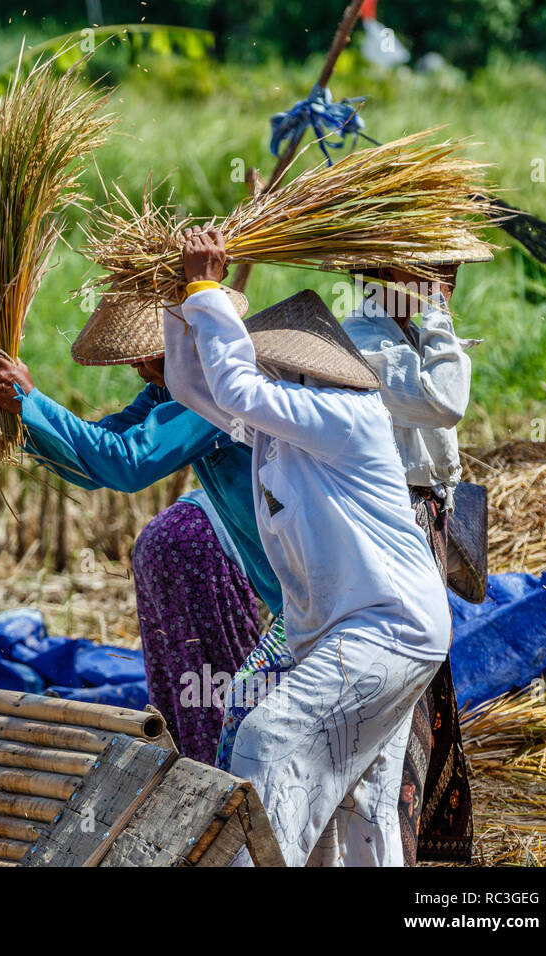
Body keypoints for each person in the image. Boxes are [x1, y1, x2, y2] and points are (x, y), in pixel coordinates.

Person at [164, 226, 451, 866]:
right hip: (357, 633)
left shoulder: (348, 417)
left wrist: (208, 288)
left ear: (304, 368)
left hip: (390, 628)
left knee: (270, 741)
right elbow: (193, 390)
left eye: (278, 366)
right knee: (360, 811)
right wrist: (177, 297)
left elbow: (238, 389)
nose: (268, 375)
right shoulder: (280, 432)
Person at [0, 290, 286, 766]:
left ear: (185, 340)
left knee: (254, 727)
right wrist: (20, 415)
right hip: (291, 599)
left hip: (312, 599)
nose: (140, 370)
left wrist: (31, 399)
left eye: (149, 357)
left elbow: (128, 464)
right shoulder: (170, 387)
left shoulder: (220, 387)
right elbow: (99, 456)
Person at [340, 249, 489, 864]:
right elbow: (443, 400)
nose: (445, 281)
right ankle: (385, 847)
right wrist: (438, 317)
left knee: (426, 687)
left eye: (451, 268)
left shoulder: (409, 333)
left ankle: (424, 849)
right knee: (401, 690)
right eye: (430, 268)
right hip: (392, 529)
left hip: (427, 521)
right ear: (386, 270)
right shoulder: (363, 340)